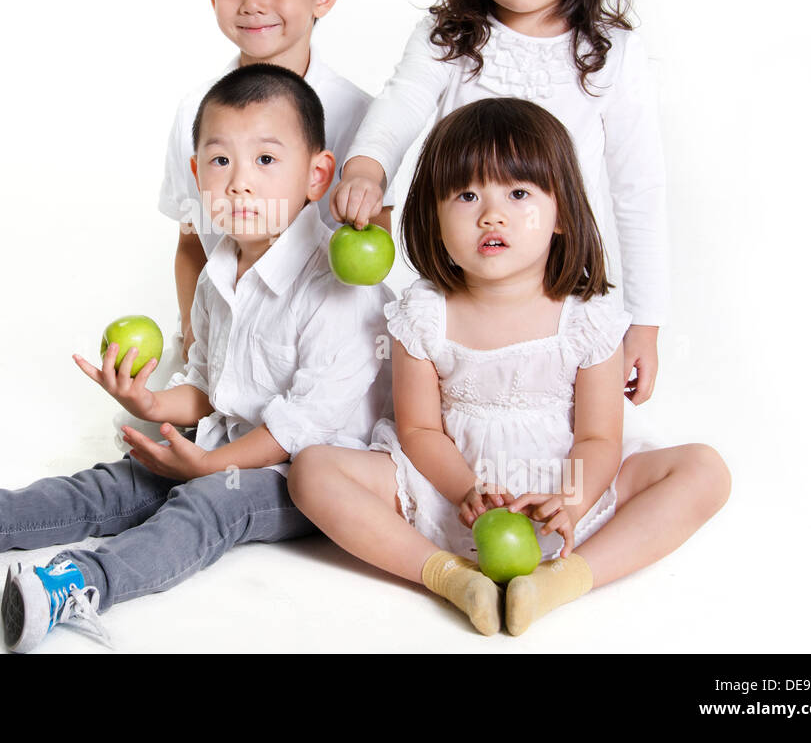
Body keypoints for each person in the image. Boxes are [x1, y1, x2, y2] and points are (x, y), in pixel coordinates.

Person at [0, 64, 391, 652]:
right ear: (196, 174)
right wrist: (149, 401)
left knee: (206, 504)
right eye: (221, 161)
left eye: (267, 160)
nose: (240, 182)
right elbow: (206, 386)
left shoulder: (334, 286)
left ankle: (81, 585)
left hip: (306, 473)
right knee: (116, 482)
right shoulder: (216, 275)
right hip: (226, 445)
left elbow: (303, 426)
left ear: (317, 175)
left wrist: (204, 467)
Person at [288, 98, 729, 636]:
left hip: (562, 481)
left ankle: (565, 578)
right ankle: (447, 575)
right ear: (434, 216)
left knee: (704, 470)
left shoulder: (586, 318)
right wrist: (466, 491)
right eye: (467, 195)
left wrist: (571, 498)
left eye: (518, 194)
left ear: (562, 213)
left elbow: (598, 438)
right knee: (311, 470)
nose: (490, 214)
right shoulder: (424, 315)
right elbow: (420, 430)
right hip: (452, 486)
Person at [331, 0, 666, 407]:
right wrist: (367, 168)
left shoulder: (611, 51)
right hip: (467, 286)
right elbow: (403, 102)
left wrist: (646, 321)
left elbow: (639, 188)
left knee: (573, 438)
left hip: (564, 288)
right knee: (452, 423)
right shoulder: (452, 38)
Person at [147, 0, 395, 445]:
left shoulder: (360, 116)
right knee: (152, 440)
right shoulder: (198, 109)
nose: (252, 1)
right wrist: (194, 337)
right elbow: (192, 243)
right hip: (228, 341)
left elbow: (371, 259)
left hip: (312, 356)